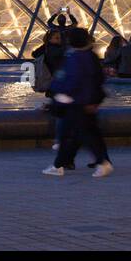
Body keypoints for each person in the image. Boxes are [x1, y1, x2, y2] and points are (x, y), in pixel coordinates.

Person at [43, 28, 113, 178]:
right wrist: (94, 100)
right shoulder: (90, 56)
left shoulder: (75, 57)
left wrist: (60, 93)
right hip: (86, 102)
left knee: (78, 134)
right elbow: (98, 79)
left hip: (75, 102)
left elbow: (72, 79)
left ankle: (101, 162)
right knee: (76, 134)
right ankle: (60, 165)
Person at [31, 29, 68, 149]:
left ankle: (48, 107)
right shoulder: (58, 50)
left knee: (60, 109)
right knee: (62, 113)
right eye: (57, 38)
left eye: (59, 37)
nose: (59, 40)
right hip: (59, 84)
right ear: (50, 38)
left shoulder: (46, 48)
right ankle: (59, 140)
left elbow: (34, 54)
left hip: (53, 84)